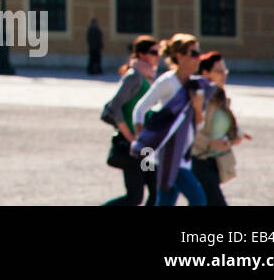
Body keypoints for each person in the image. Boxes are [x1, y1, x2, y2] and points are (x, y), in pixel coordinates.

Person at [132, 33, 212, 206]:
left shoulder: (195, 85)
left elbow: (200, 124)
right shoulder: (168, 82)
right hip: (169, 154)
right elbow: (140, 108)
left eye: (198, 53)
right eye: (193, 54)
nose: (198, 58)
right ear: (179, 56)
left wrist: (198, 107)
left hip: (185, 153)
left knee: (165, 201)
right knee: (199, 200)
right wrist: (144, 140)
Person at [101, 35, 160, 205]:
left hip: (147, 148)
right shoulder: (134, 76)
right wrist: (129, 136)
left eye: (159, 52)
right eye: (154, 52)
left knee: (155, 191)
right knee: (134, 197)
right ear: (141, 54)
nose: (158, 56)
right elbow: (114, 106)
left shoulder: (148, 76)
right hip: (133, 149)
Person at [191, 52, 251, 205]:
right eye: (219, 71)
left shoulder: (219, 95)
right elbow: (190, 127)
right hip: (198, 159)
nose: (224, 75)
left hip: (215, 160)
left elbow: (225, 122)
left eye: (225, 71)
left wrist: (236, 135)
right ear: (205, 73)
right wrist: (209, 142)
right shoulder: (200, 96)